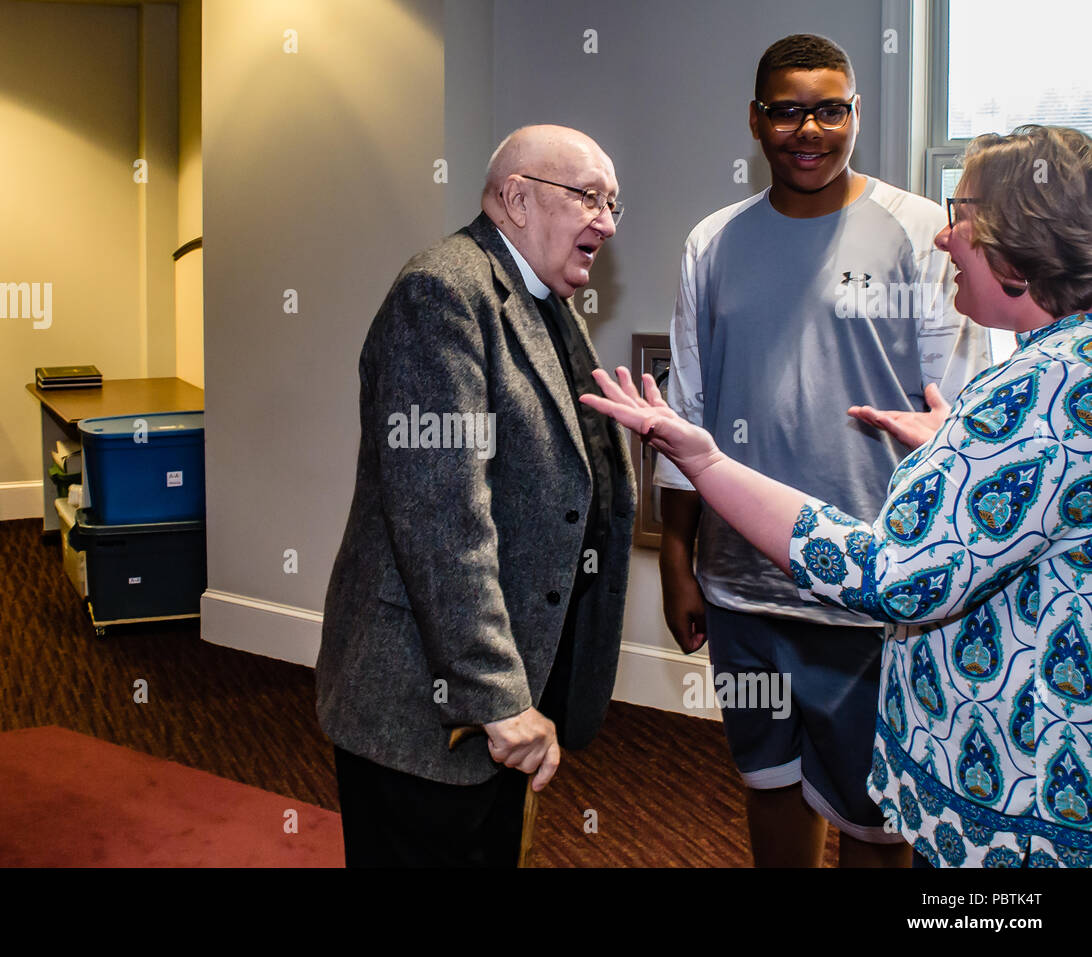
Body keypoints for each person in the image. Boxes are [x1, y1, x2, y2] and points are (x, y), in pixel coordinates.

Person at [586, 124, 1092, 867]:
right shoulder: (1063, 364)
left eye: (964, 215)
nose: (945, 239)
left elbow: (891, 576)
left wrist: (708, 462)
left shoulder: (1043, 388)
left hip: (1028, 813)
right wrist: (960, 450)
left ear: (1019, 244)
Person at [654, 33, 993, 867]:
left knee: (876, 818)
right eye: (789, 111)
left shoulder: (921, 233)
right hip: (744, 591)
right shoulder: (712, 242)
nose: (810, 130)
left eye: (830, 109)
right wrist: (676, 558)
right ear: (756, 120)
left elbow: (954, 417)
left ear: (855, 113)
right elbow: (687, 411)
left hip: (871, 591)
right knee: (769, 784)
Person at [317, 125, 636, 867]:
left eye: (614, 203)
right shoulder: (442, 294)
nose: (608, 223)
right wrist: (497, 694)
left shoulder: (544, 300)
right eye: (589, 197)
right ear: (515, 197)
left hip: (499, 703)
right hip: (421, 707)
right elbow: (440, 519)